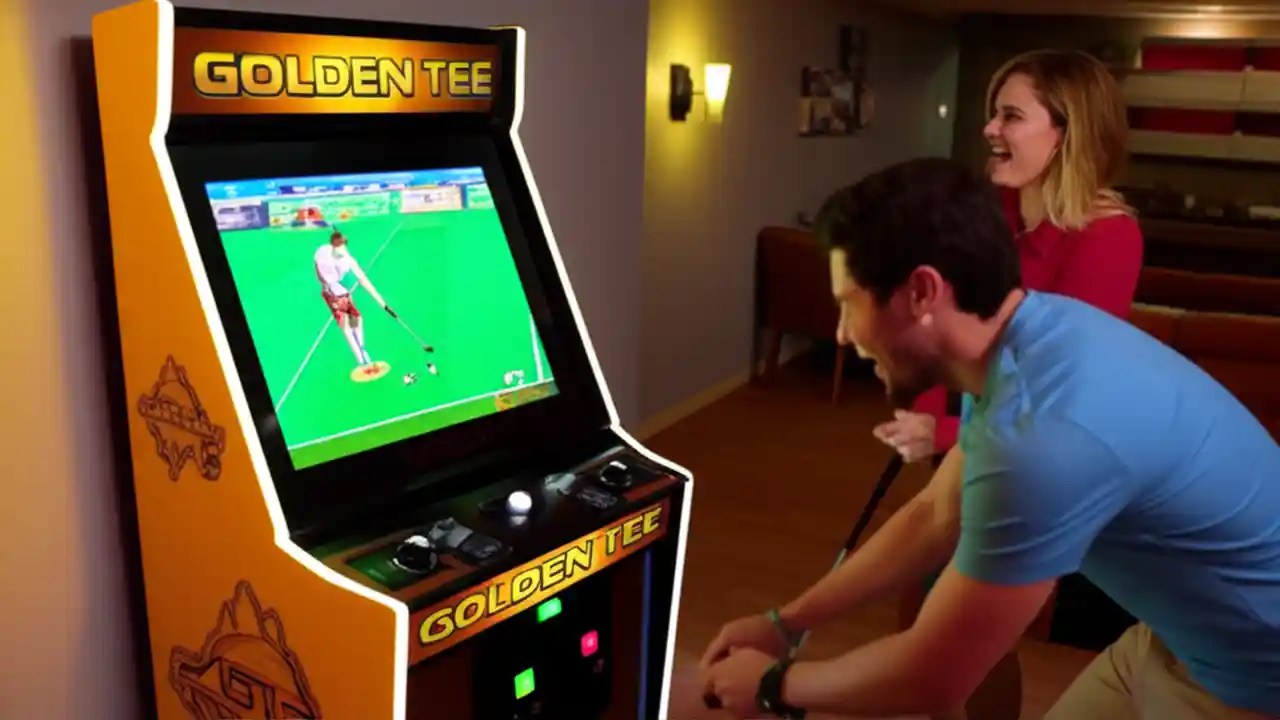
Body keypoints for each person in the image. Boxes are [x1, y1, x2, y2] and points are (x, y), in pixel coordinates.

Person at [699, 157, 1280, 719]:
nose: (843, 335)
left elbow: (934, 675)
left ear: (924, 292)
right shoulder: (1021, 339)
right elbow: (935, 514)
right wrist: (787, 622)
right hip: (1178, 641)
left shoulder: (1040, 438)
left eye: (849, 305)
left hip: (1255, 678)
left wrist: (775, 688)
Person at [873, 49, 1143, 466]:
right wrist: (927, 412)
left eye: (1011, 116)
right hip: (972, 439)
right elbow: (941, 319)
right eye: (994, 114)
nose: (989, 129)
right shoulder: (988, 208)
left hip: (1038, 458)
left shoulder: (1109, 237)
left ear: (1068, 133)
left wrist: (945, 432)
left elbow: (1065, 386)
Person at [314, 229, 395, 374]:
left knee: (357, 320)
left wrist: (383, 304)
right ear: (333, 245)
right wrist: (335, 295)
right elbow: (324, 278)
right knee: (346, 326)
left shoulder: (348, 259)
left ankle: (364, 354)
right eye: (339, 246)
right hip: (332, 295)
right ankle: (361, 360)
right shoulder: (323, 256)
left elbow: (363, 280)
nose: (343, 249)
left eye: (344, 246)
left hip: (343, 294)